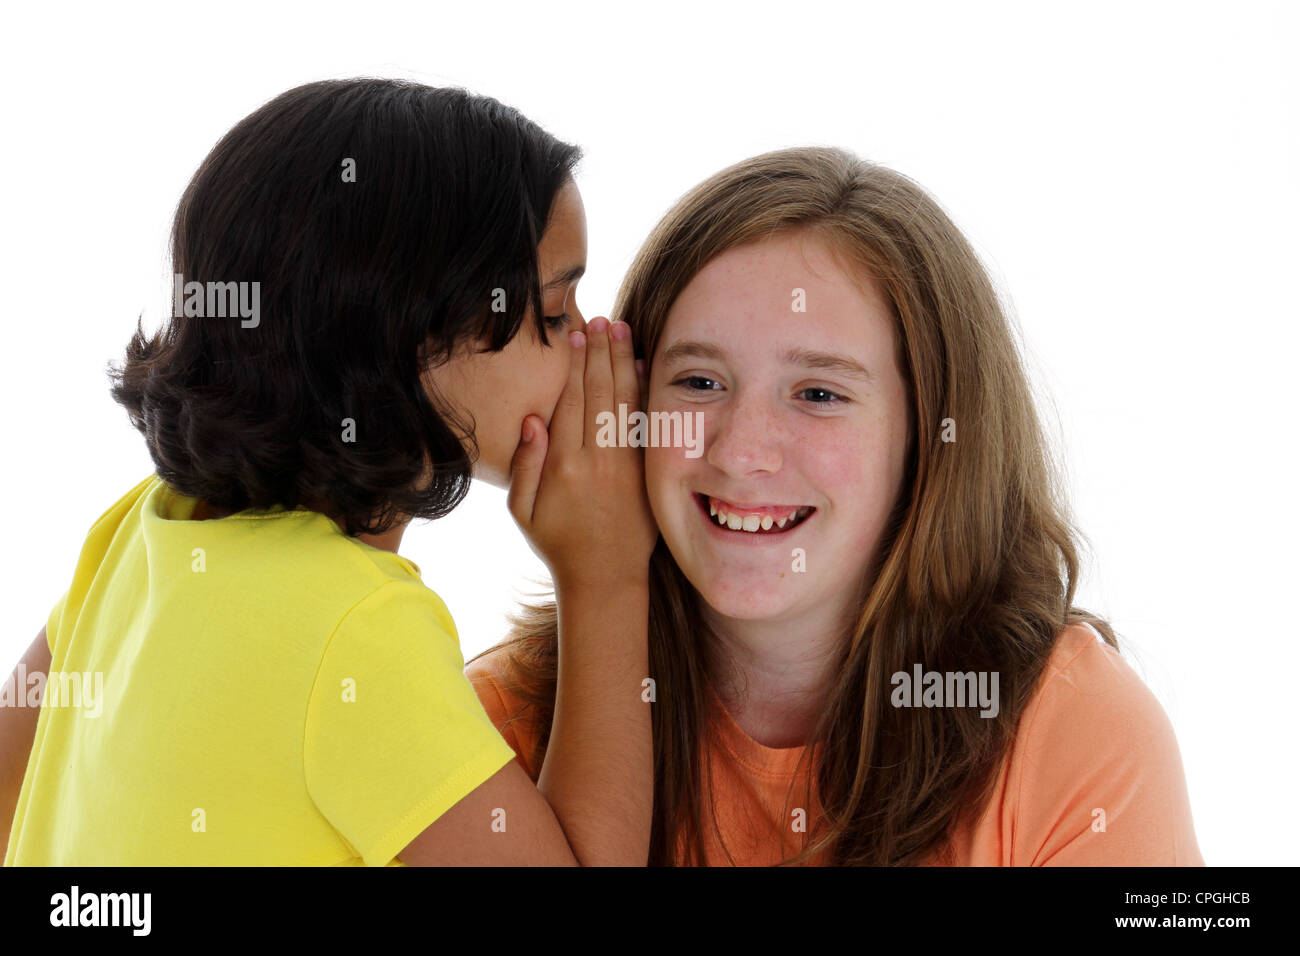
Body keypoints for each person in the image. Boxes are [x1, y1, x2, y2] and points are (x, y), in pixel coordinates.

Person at [468, 146, 1204, 866]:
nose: (742, 451)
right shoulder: (504, 724)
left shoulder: (1078, 733)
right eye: (697, 382)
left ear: (932, 436)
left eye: (819, 394)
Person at [1, 78, 656, 866]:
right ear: (401, 337)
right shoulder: (359, 632)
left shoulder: (141, 530)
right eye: (553, 313)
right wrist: (605, 577)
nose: (592, 341)